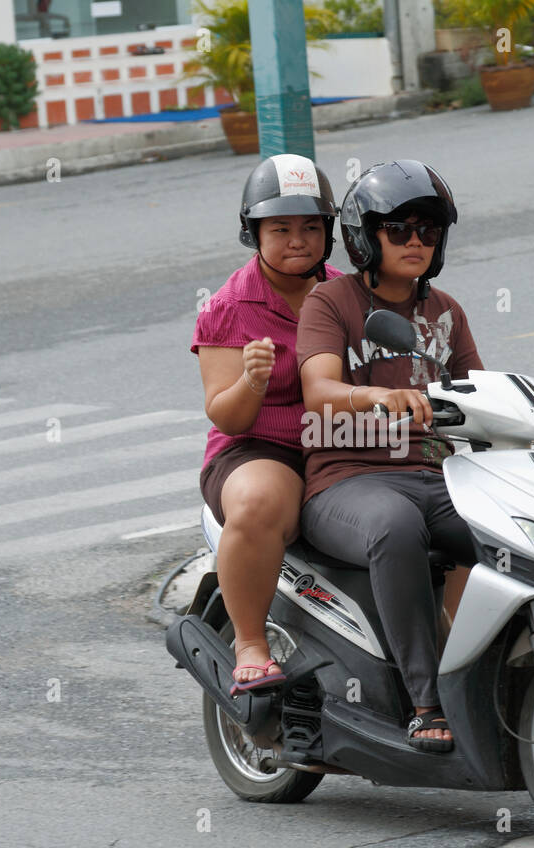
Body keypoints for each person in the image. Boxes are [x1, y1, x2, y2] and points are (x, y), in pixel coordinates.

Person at [296, 160, 534, 752]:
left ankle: (523, 679)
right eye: (400, 229)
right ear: (366, 235)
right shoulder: (330, 303)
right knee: (394, 525)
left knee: (525, 533)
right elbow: (320, 392)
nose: (416, 241)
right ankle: (423, 701)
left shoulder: (446, 311)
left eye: (429, 231)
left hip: (435, 476)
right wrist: (378, 396)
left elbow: (482, 392)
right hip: (345, 481)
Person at [191, 154, 342, 697]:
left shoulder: (350, 294)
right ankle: (250, 643)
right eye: (280, 228)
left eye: (311, 227)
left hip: (344, 445)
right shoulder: (230, 306)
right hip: (258, 449)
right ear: (253, 233)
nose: (298, 240)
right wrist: (252, 382)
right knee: (258, 502)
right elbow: (225, 415)